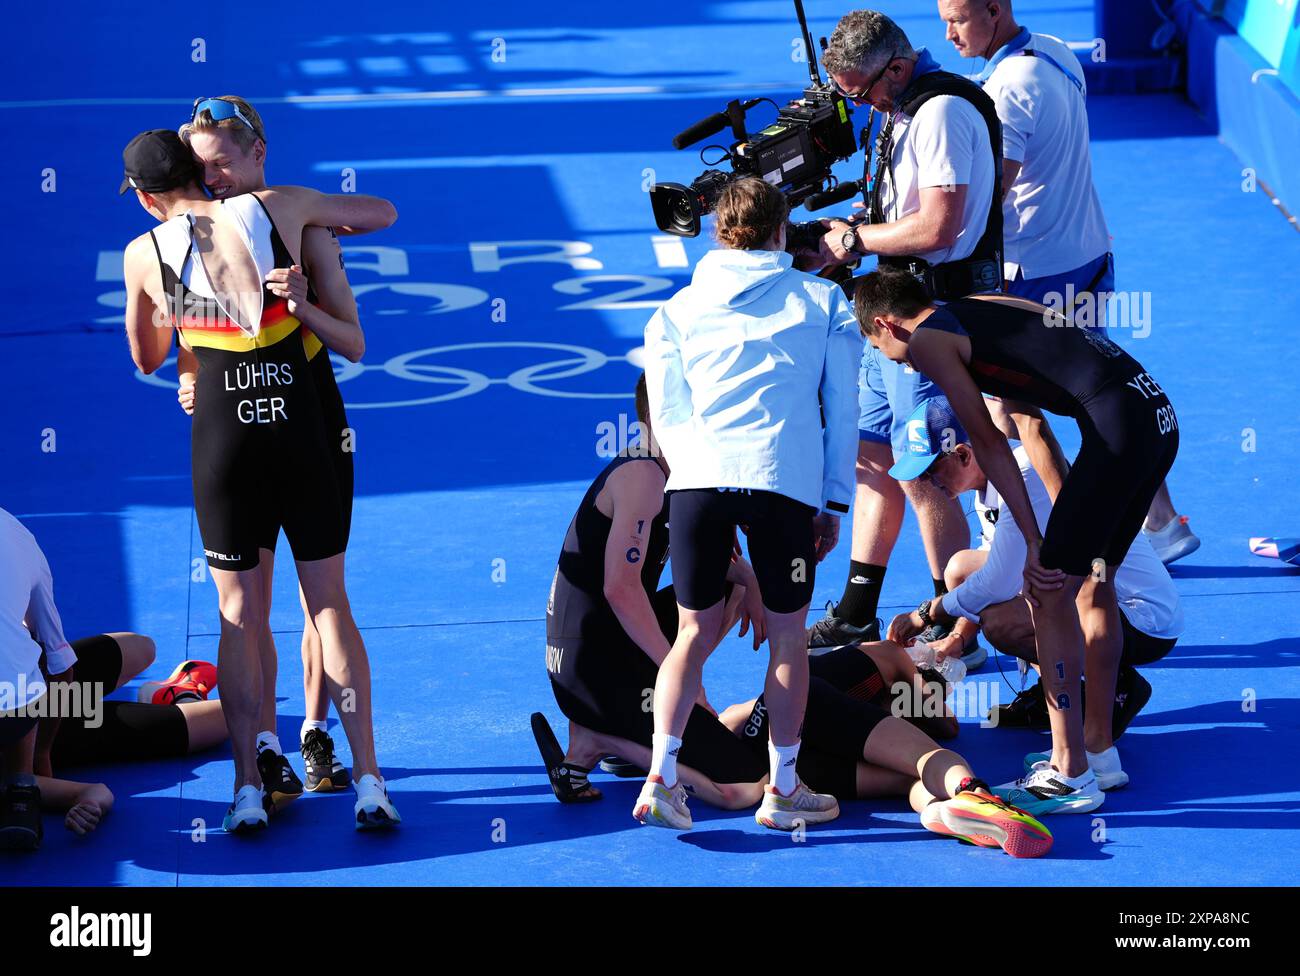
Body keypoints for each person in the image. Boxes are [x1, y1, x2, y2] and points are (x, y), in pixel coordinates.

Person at [538, 383, 1052, 857]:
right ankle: (962, 794)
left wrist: (750, 589)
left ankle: (943, 804)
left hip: (732, 712)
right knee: (782, 774)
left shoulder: (667, 474)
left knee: (825, 771)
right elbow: (619, 588)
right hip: (625, 675)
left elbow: (699, 569)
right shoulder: (645, 477)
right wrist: (682, 674)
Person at [120, 129, 398, 832]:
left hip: (226, 436)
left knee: (239, 616)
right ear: (204, 173)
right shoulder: (279, 206)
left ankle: (247, 786)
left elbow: (146, 355)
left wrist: (173, 321)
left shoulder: (143, 253)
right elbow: (376, 213)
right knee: (328, 604)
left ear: (149, 197)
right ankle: (368, 780)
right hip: (303, 421)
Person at [855, 268, 1180, 815]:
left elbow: (989, 441)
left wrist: (1036, 542)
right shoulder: (979, 307)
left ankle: (1069, 772)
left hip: (1116, 427)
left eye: (887, 351)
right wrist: (1057, 530)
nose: (901, 364)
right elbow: (1032, 428)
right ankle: (1099, 754)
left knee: (1048, 591)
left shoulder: (931, 342)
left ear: (889, 324)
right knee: (1090, 585)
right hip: (1156, 415)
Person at [938, 0, 1199, 564]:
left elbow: (988, 198)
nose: (948, 32)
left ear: (994, 9)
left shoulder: (1007, 89)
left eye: (957, 18)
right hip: (1087, 255)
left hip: (1035, 270)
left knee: (1010, 410)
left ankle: (1032, 544)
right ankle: (1160, 524)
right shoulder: (1055, 51)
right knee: (1104, 393)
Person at [640, 177, 860, 830]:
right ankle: (784, 789)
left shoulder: (673, 312)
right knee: (789, 636)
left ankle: (660, 778)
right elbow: (842, 412)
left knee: (691, 634)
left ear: (717, 232)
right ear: (781, 231)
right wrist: (833, 504)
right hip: (782, 484)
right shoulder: (822, 301)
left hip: (697, 483)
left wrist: (696, 475)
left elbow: (668, 416)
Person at [175, 95, 376, 795]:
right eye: (202, 170)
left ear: (259, 152)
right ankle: (264, 743)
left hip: (313, 418)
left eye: (223, 164)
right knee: (248, 602)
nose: (214, 181)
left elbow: (353, 342)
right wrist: (189, 374)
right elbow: (189, 339)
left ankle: (316, 732)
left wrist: (302, 295)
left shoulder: (302, 222)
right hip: (242, 424)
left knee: (318, 598)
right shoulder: (190, 236)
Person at [807, 10, 1002, 658]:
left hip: (936, 318)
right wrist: (863, 222)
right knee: (874, 458)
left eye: (861, 92)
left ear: (895, 67)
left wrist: (857, 241)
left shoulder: (941, 113)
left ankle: (954, 626)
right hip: (894, 315)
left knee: (927, 472)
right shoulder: (900, 107)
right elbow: (907, 210)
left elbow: (941, 226)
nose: (859, 105)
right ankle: (860, 612)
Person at [885, 397, 1184, 788]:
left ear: (962, 454)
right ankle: (1070, 699)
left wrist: (924, 615)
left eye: (930, 470)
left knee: (1001, 623)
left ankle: (1102, 707)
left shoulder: (1026, 475)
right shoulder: (993, 484)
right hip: (1106, 603)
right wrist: (958, 637)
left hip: (1142, 619)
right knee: (960, 567)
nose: (928, 483)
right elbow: (996, 573)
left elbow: (998, 582)